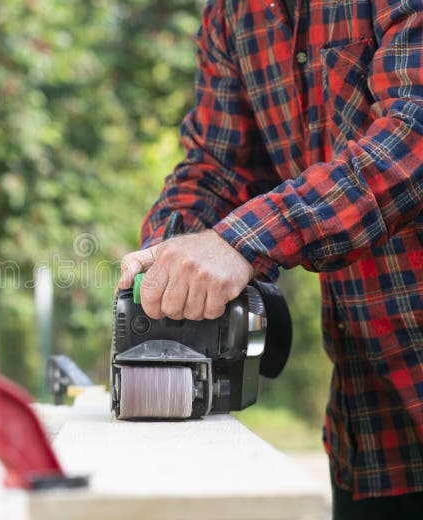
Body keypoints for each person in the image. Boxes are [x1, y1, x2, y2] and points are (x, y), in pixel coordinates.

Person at [116, 0, 423, 517]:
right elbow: (218, 165)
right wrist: (171, 263)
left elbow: (412, 136)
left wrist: (240, 242)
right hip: (375, 427)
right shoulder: (232, 14)